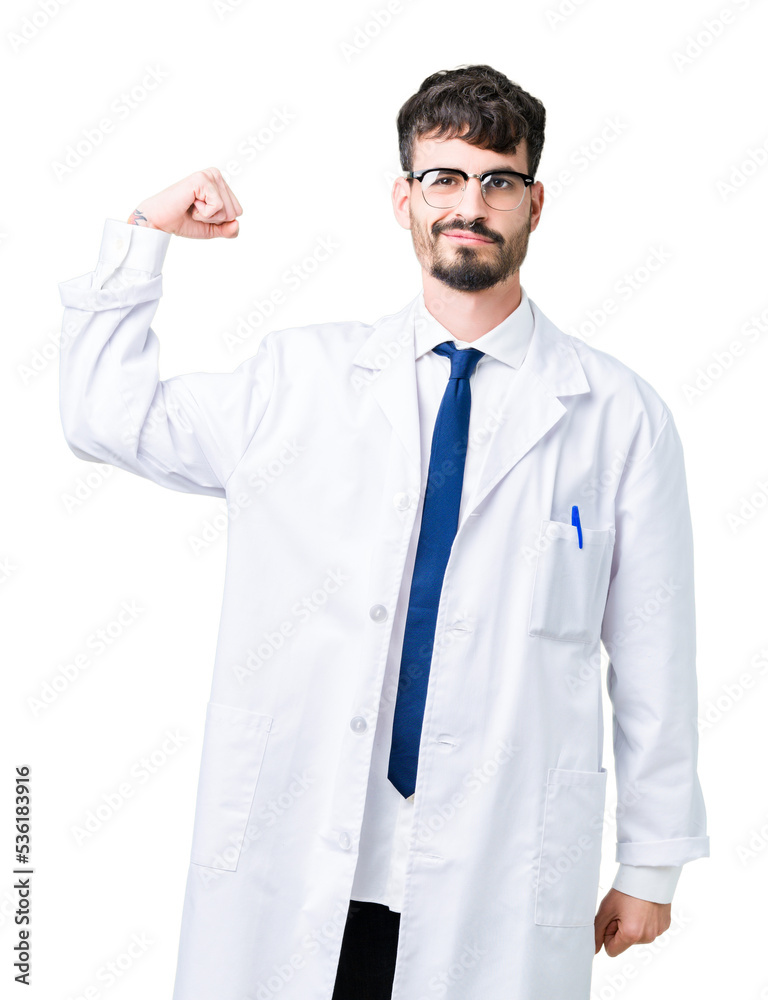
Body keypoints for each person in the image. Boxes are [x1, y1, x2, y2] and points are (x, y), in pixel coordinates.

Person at [57, 64, 709, 1000]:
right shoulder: (297, 382)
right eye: (444, 178)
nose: (469, 204)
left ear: (535, 203)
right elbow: (103, 420)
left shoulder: (616, 416)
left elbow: (653, 649)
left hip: (497, 862)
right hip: (298, 850)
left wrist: (653, 861)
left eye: (498, 180)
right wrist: (143, 237)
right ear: (404, 197)